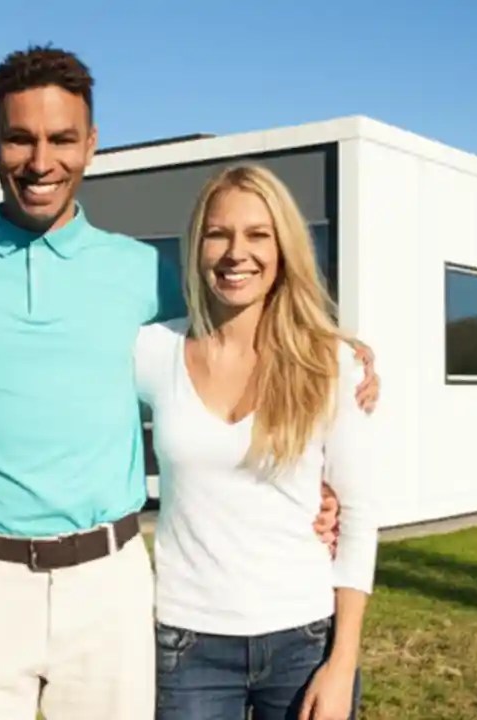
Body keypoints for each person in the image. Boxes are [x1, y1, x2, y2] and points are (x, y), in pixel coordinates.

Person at [0, 46, 380, 719]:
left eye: (62, 139)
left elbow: (238, 315)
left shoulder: (142, 272)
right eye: (20, 138)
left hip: (108, 586)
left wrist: (337, 351)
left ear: (91, 144)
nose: (41, 161)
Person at [137, 164, 378, 720]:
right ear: (197, 248)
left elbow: (360, 516)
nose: (235, 253)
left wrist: (342, 663)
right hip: (187, 645)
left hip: (304, 641)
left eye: (257, 235)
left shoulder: (329, 364)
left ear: (283, 248)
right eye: (218, 234)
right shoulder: (152, 351)